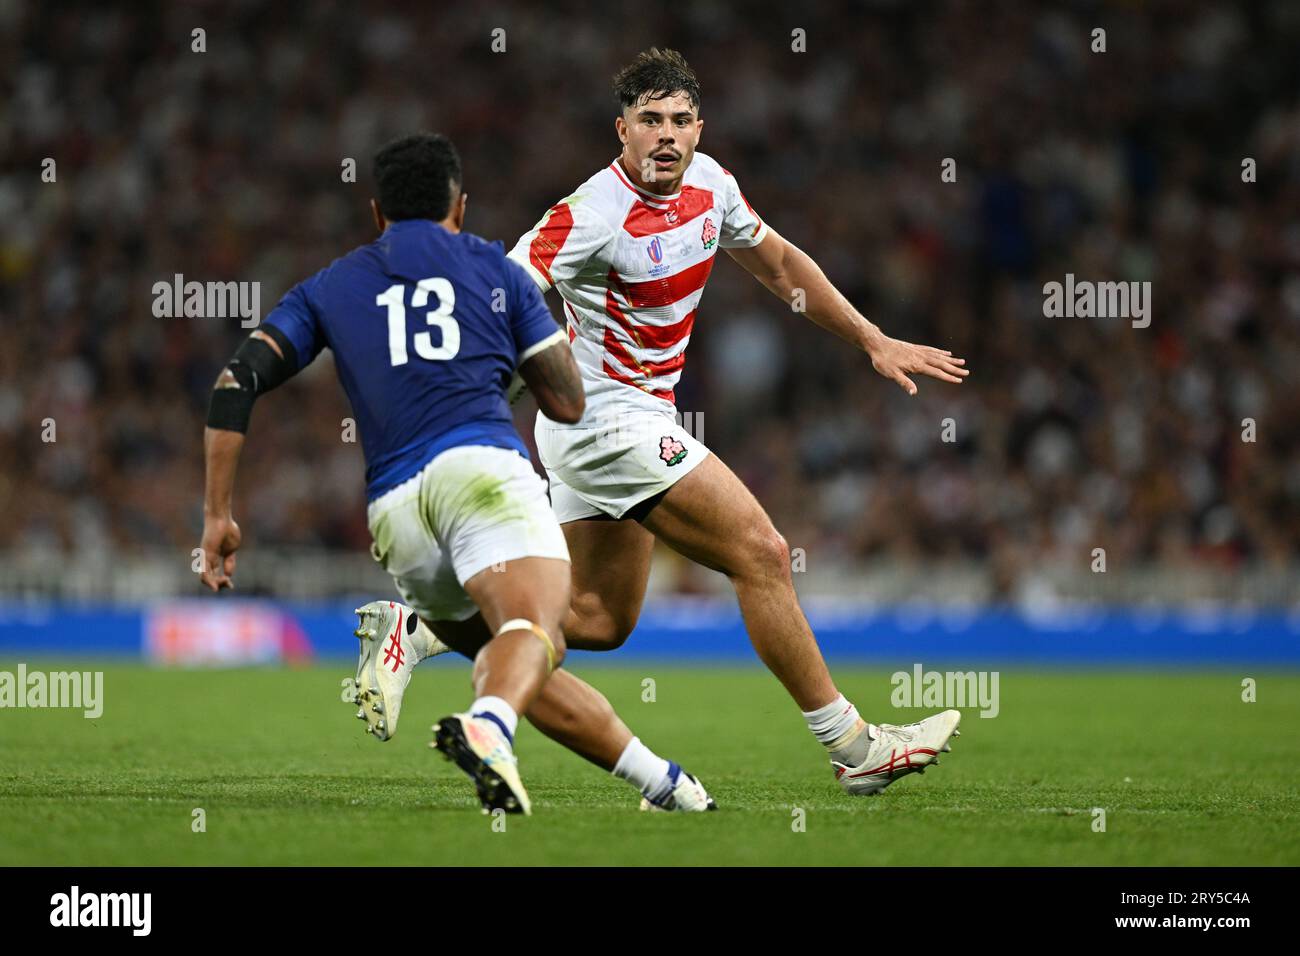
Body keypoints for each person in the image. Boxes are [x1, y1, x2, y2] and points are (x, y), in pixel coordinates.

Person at [197, 132, 712, 814]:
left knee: (521, 657)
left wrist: (218, 516)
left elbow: (235, 384)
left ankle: (664, 785)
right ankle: (488, 726)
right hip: (482, 473)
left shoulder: (329, 286)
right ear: (460, 207)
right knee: (537, 630)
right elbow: (566, 399)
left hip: (395, 511)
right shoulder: (495, 270)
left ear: (378, 213)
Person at [501, 48, 968, 793]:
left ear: (699, 128)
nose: (666, 136)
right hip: (602, 418)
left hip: (627, 416)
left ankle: (423, 625)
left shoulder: (713, 185)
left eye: (680, 121)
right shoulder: (589, 212)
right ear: (620, 130)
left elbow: (781, 267)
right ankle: (855, 747)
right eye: (649, 120)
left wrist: (872, 339)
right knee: (762, 551)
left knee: (597, 617)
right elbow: (507, 288)